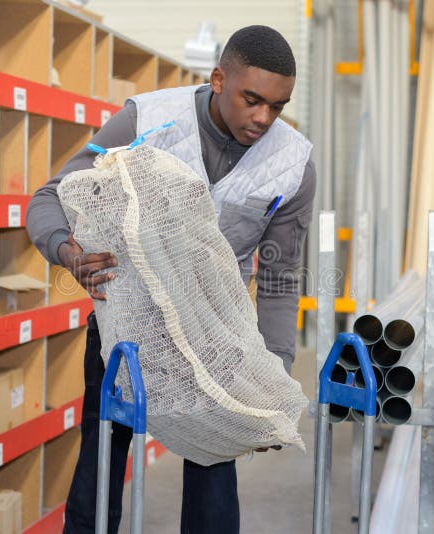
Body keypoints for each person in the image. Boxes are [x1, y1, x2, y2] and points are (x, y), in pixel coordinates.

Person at [26, 24, 315, 534]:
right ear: (219, 78)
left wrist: (274, 375)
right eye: (253, 100)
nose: (263, 118)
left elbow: (280, 277)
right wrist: (68, 252)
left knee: (214, 454)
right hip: (128, 328)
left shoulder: (292, 165)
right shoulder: (150, 120)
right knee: (105, 447)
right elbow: (50, 197)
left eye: (278, 106)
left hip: (219, 336)